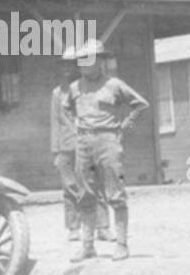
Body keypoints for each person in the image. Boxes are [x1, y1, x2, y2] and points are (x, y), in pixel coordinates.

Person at [64, 39, 149, 261]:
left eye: (88, 60)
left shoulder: (114, 85)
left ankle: (121, 244)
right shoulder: (74, 88)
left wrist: (124, 126)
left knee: (116, 193)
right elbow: (66, 109)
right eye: (80, 61)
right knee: (84, 195)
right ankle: (87, 246)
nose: (83, 65)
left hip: (108, 142)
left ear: (100, 62)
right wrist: (76, 127)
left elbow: (140, 104)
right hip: (83, 143)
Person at [50, 60, 111, 244]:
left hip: (87, 143)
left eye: (71, 67)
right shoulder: (57, 93)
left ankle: (102, 227)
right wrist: (56, 152)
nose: (67, 71)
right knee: (69, 188)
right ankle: (74, 228)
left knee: (96, 184)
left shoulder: (84, 90)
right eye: (63, 67)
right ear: (60, 70)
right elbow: (55, 122)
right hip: (66, 146)